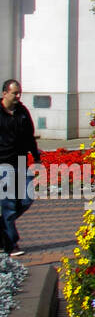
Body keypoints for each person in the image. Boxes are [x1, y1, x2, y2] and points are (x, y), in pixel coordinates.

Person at [0, 79, 39, 257]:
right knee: (8, 205)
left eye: (19, 93)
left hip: (21, 162)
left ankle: (3, 227)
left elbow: (30, 135)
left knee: (26, 199)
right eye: (14, 93)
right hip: (3, 165)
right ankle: (10, 244)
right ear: (4, 93)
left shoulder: (22, 111)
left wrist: (36, 155)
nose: (18, 96)